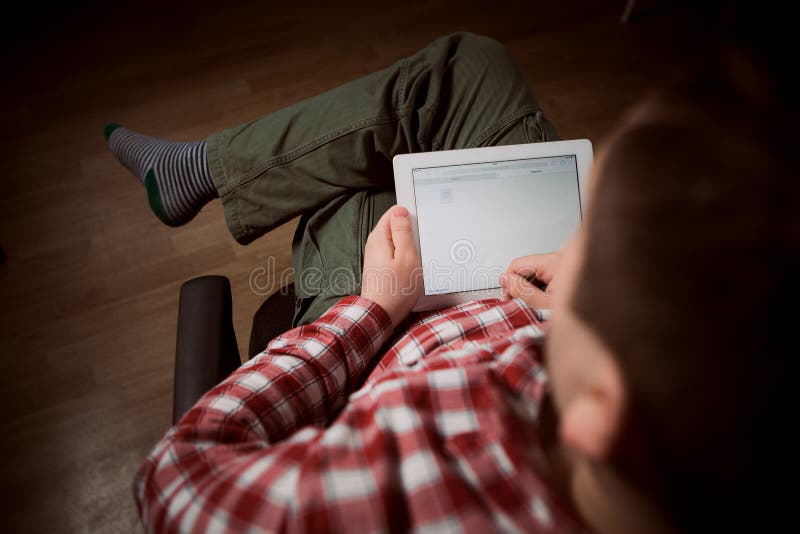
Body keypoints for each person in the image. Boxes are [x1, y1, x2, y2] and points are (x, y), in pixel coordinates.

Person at [110, 33, 795, 533]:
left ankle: (200, 171)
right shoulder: (687, 429)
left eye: (587, 234)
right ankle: (200, 169)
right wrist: (578, 312)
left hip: (379, 345)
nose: (570, 242)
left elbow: (175, 481)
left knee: (354, 192)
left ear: (600, 413)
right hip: (510, 310)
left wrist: (372, 307)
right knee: (471, 68)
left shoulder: (380, 492)